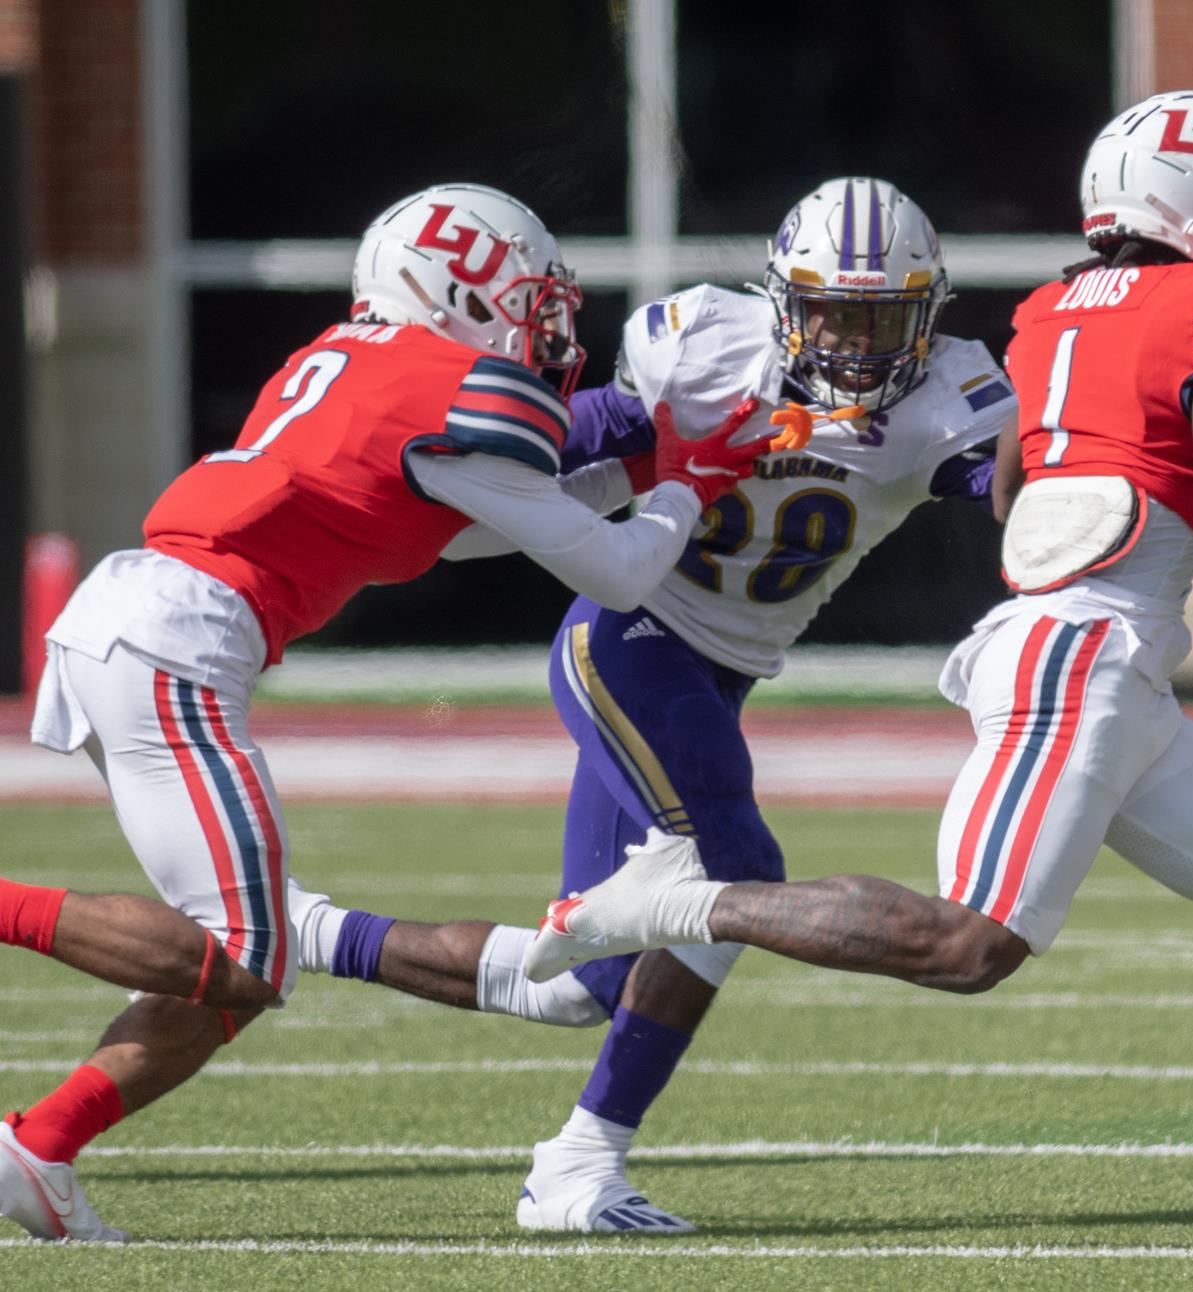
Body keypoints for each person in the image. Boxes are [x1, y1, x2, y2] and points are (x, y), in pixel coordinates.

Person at [526, 93, 1193, 1247]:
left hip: (1100, 652)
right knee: (970, 945)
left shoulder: (1054, 311)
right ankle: (663, 904)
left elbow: (1028, 491)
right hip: (1081, 652)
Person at [0, 183, 773, 1243]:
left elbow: (459, 533)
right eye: (524, 297)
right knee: (245, 957)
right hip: (174, 638)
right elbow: (618, 572)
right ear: (453, 287)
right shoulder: (449, 388)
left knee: (237, 972)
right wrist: (688, 478)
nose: (544, 325)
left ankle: (39, 1147)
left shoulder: (364, 363)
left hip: (153, 621)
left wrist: (645, 469)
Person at [289, 177, 1017, 1234]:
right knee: (729, 880)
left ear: (927, 312)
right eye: (830, 312)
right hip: (631, 641)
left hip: (721, 676)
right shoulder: (703, 341)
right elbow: (573, 434)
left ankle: (306, 929)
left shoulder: (952, 392)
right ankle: (579, 1166)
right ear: (779, 300)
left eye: (882, 316)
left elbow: (1006, 488)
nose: (856, 342)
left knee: (577, 988)